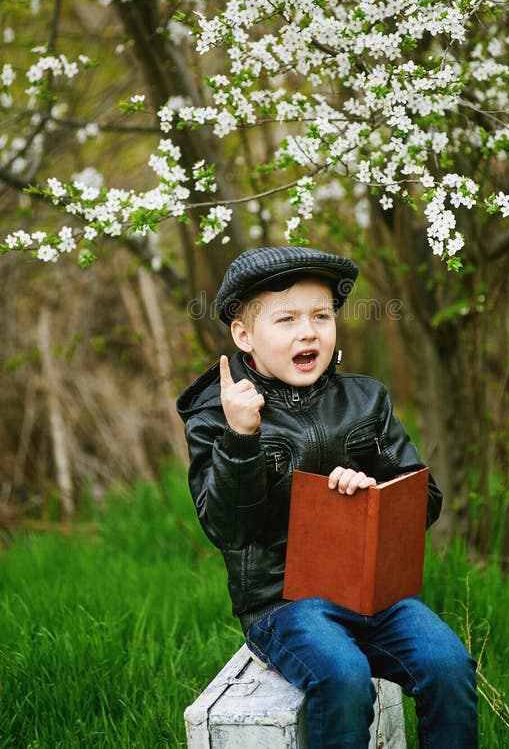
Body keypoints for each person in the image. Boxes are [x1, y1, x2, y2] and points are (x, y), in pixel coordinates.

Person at [177, 246, 478, 748]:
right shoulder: (219, 414)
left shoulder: (367, 399)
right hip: (282, 604)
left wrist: (374, 493)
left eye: (321, 315)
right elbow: (228, 529)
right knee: (342, 674)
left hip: (372, 593)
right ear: (244, 335)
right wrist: (241, 437)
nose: (308, 331)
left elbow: (424, 497)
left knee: (447, 663)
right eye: (287, 318)